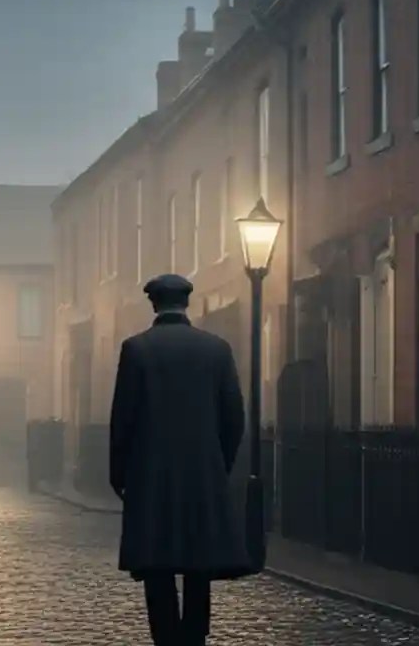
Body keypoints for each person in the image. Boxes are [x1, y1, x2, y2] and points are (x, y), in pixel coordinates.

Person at [109, 273, 249, 646]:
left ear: (153, 304)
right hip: (203, 472)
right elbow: (234, 416)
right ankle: (194, 637)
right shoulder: (216, 349)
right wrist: (219, 462)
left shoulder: (136, 349)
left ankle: (166, 638)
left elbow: (123, 418)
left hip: (150, 474)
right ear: (186, 303)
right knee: (198, 561)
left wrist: (118, 472)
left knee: (157, 563)